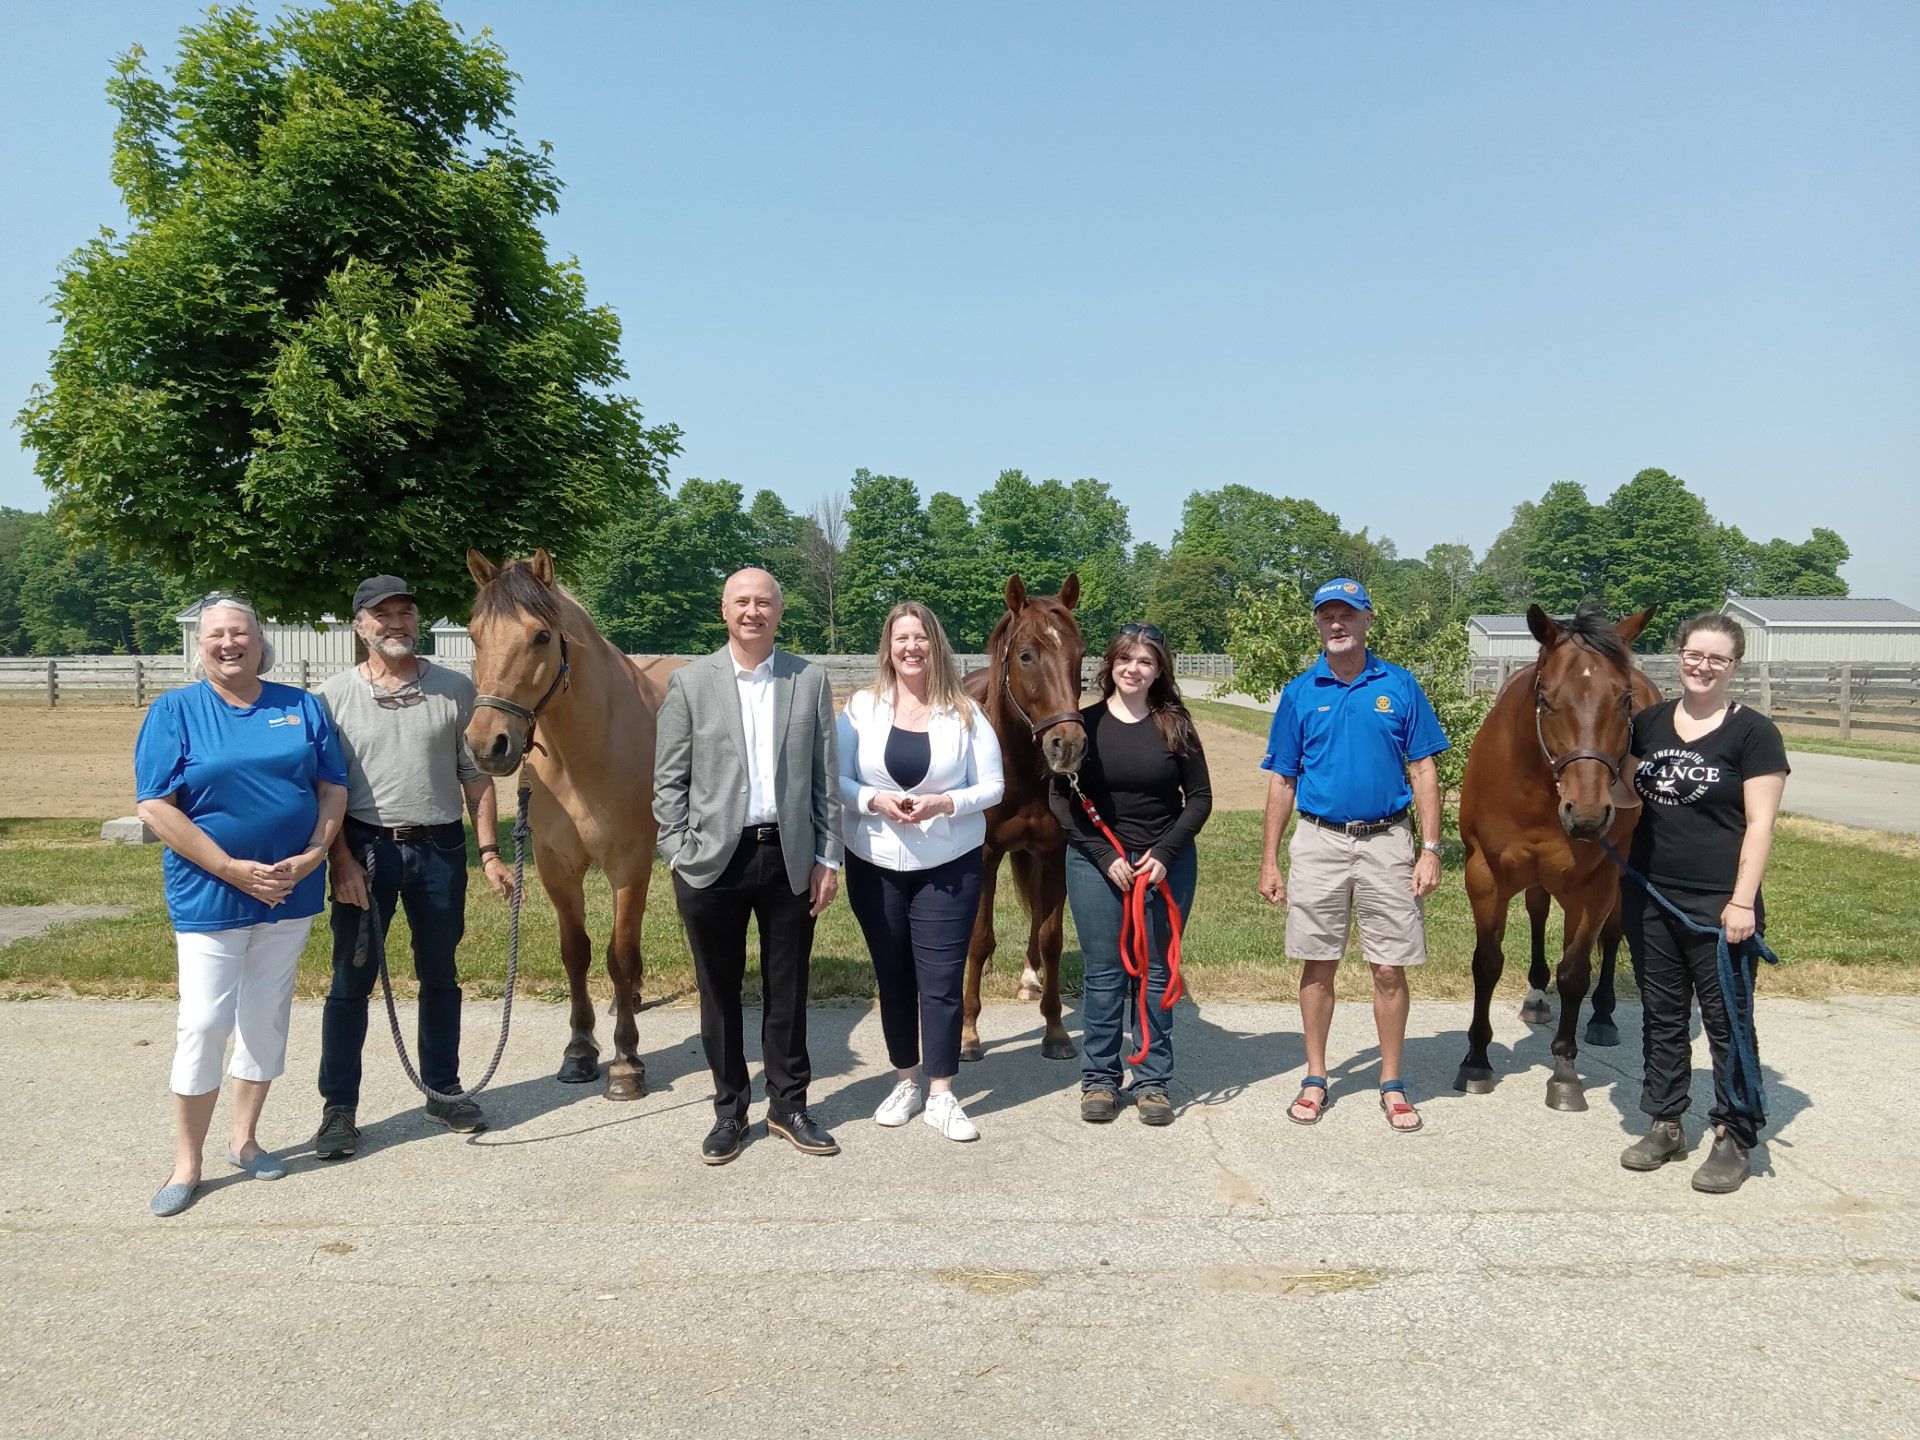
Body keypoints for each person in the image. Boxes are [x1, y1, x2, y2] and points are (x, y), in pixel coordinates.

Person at [136, 596, 349, 1217]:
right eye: (216, 635)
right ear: (199, 645)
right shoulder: (175, 710)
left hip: (289, 890)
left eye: (241, 632)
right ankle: (187, 1164)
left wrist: (315, 854)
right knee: (204, 1021)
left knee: (265, 1016)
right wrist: (230, 868)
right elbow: (155, 805)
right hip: (211, 892)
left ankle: (245, 1140)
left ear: (261, 642)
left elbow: (332, 787)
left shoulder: (301, 706)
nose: (229, 643)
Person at [311, 576, 515, 1159]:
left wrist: (490, 853)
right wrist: (340, 862)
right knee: (350, 981)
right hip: (365, 851)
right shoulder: (332, 697)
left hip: (440, 850)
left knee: (440, 975)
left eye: (405, 612)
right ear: (360, 626)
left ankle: (443, 1091)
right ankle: (339, 1109)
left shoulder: (455, 689)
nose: (396, 623)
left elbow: (475, 779)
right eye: (382, 615)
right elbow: (324, 790)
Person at [654, 568, 844, 1165]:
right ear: (724, 610)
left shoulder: (809, 680)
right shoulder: (690, 683)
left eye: (764, 602)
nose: (752, 611)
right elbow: (668, 781)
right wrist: (677, 851)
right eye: (742, 601)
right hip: (712, 861)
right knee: (719, 991)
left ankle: (788, 1106)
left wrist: (827, 857)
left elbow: (826, 779)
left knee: (788, 989)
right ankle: (729, 1110)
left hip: (789, 858)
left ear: (780, 611)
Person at [1257, 579, 1448, 1134]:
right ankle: (1316, 1076)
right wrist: (1270, 859)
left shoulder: (1400, 685)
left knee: (1388, 966)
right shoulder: (1300, 692)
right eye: (1327, 616)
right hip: (1319, 841)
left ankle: (1391, 1081)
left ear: (1368, 620)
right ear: (1318, 624)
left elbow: (1423, 770)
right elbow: (1283, 779)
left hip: (1388, 841)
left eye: (1347, 614)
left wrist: (1430, 849)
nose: (1336, 624)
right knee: (1318, 962)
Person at [1618, 612, 1788, 1194]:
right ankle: (1665, 1121)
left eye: (1717, 658)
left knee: (1726, 1020)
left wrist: (1742, 902)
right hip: (1649, 894)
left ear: (1734, 666)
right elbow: (1627, 792)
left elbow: (1760, 824)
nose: (1703, 666)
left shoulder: (1754, 733)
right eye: (1695, 654)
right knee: (1662, 1015)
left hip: (1720, 902)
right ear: (1680, 655)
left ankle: (1734, 1134)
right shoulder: (1648, 724)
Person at [838, 602, 1005, 1142]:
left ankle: (941, 1093)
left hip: (948, 866)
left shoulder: (965, 713)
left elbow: (993, 787)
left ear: (936, 645)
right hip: (875, 864)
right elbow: (834, 778)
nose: (911, 648)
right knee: (893, 977)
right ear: (888, 648)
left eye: (921, 638)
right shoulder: (861, 708)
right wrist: (871, 799)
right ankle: (906, 1081)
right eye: (901, 638)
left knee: (940, 981)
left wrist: (945, 803)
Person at [1051, 623, 1211, 1127]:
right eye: (1125, 659)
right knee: (1104, 974)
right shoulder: (1085, 725)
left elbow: (1200, 798)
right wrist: (1104, 856)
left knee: (1157, 972)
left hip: (1166, 864)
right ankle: (1099, 1079)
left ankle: (1152, 1081)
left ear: (1159, 669)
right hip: (1099, 863)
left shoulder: (1175, 725)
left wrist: (1164, 853)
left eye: (1145, 661)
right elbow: (1061, 800)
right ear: (1111, 665)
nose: (1133, 669)